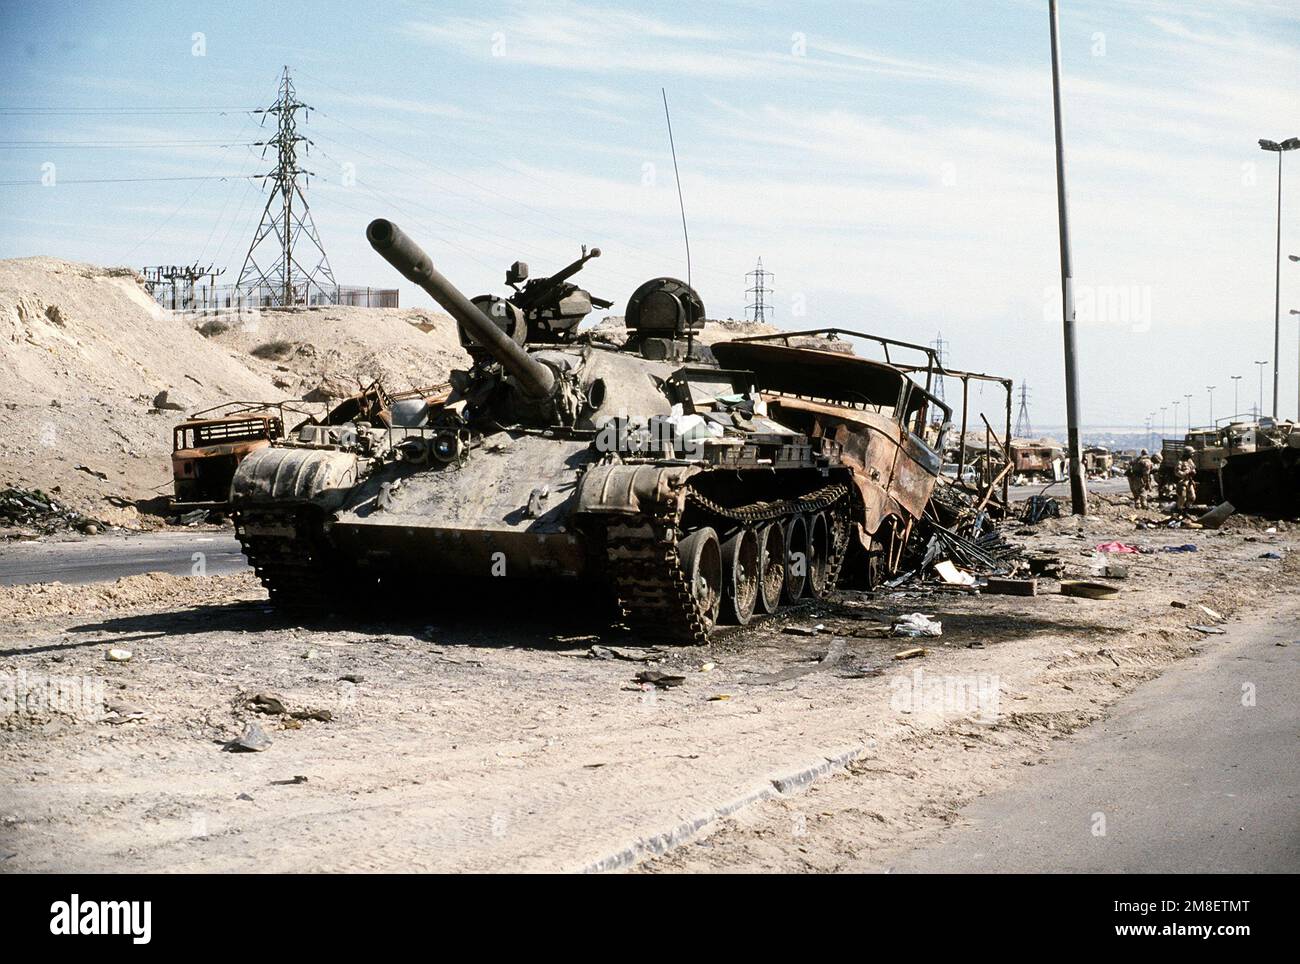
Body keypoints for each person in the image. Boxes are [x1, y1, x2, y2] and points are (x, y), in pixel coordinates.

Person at [1174, 445, 1198, 513]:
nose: (1193, 454)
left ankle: (1186, 510)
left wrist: (1193, 472)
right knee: (1182, 498)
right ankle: (1179, 510)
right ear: (1187, 454)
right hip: (1182, 482)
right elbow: (1177, 472)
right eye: (1191, 453)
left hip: (1189, 481)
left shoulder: (1190, 461)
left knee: (1192, 497)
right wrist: (1185, 473)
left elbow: (1193, 469)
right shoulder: (1180, 462)